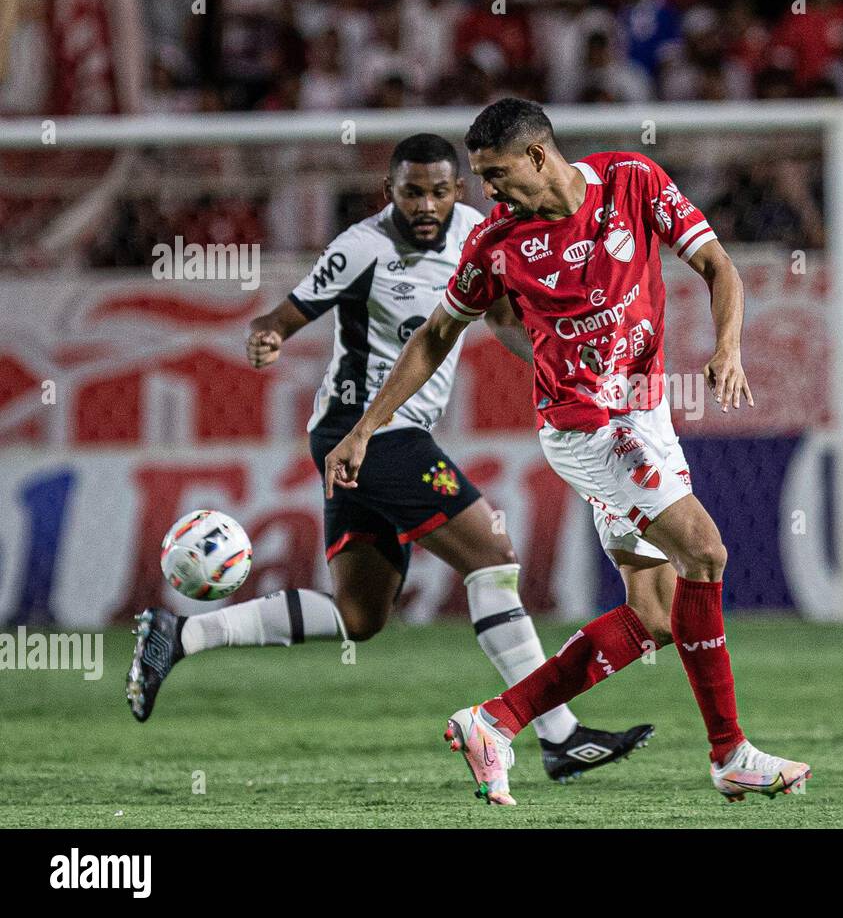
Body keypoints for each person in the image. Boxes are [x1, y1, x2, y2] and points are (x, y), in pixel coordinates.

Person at [324, 99, 811, 805]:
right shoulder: (496, 242)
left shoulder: (631, 180)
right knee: (705, 551)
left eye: (494, 175)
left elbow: (717, 266)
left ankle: (497, 720)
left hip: (645, 417)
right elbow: (435, 334)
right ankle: (730, 753)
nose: (486, 192)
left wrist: (727, 347)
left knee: (654, 615)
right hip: (584, 428)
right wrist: (368, 426)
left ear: (537, 157)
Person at [127, 134, 653, 785]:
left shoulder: (481, 234)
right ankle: (559, 734)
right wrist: (266, 336)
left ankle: (178, 636)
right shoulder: (362, 246)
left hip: (379, 436)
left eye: (438, 190)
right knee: (492, 558)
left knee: (360, 616)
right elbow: (286, 314)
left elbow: (501, 316)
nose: (425, 204)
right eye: (411, 192)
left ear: (458, 190)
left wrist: (562, 365)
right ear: (390, 192)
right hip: (366, 432)